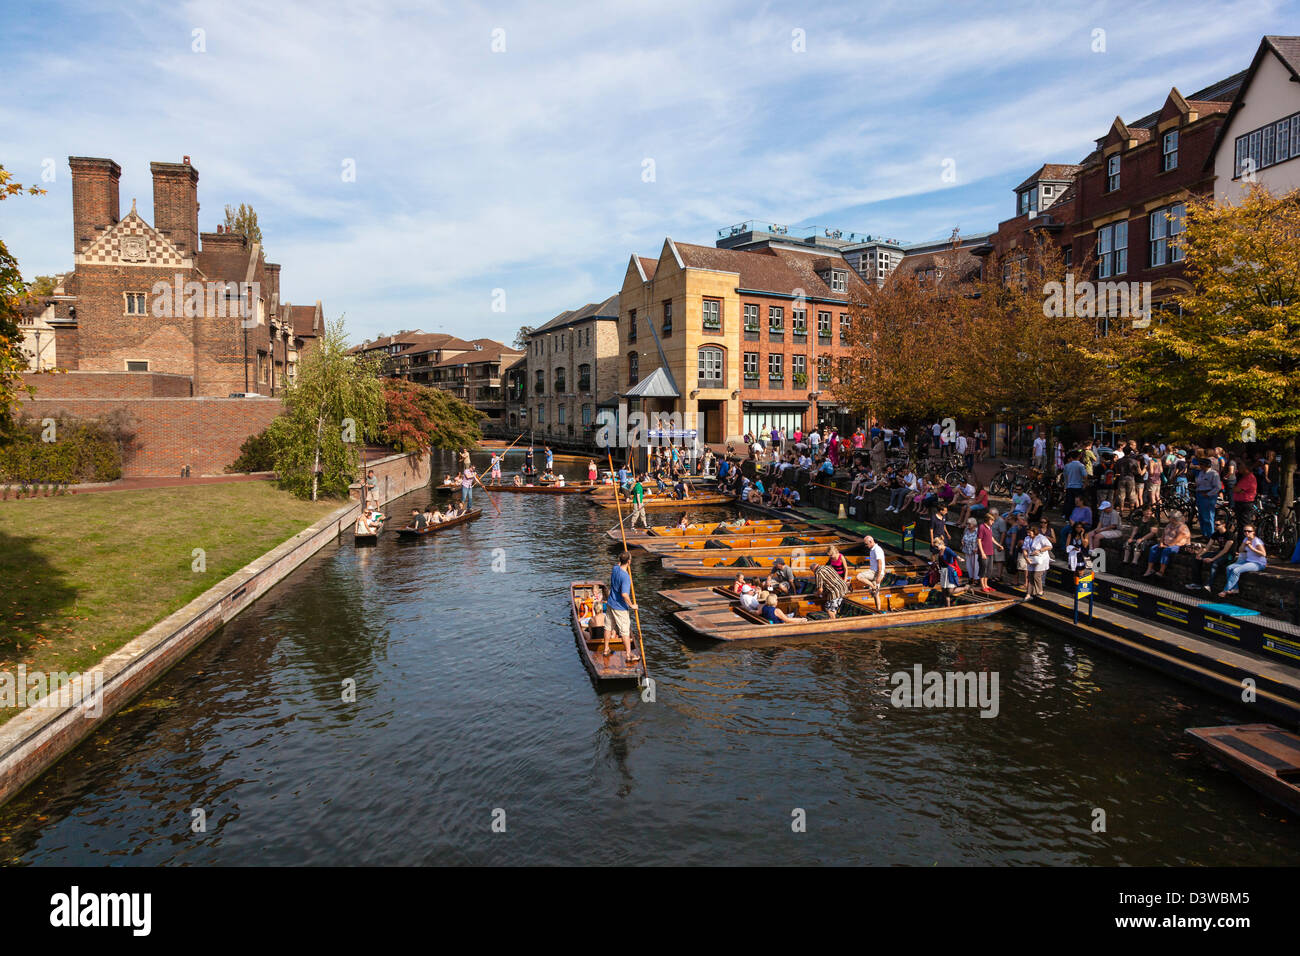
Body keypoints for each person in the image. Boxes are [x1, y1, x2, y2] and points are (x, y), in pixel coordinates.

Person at [606, 552, 640, 660]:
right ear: (629, 562)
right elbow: (624, 594)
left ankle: (606, 649)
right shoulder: (625, 577)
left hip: (610, 603)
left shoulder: (615, 568)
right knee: (625, 631)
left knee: (608, 627)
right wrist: (632, 606)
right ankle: (629, 655)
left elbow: (619, 563)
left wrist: (625, 557)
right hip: (620, 607)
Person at [1187, 520, 1234, 593]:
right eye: (1214, 524)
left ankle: (1209, 585)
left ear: (1223, 525)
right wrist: (1199, 555)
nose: (1215, 526)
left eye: (1217, 525)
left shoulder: (1230, 535)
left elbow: (1225, 550)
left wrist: (1212, 559)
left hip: (1229, 555)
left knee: (1215, 563)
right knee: (1195, 559)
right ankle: (1197, 583)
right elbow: (1207, 547)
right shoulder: (1216, 534)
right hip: (1219, 552)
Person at [1220, 525, 1267, 596]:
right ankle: (1235, 589)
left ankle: (1225, 590)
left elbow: (1264, 554)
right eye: (1245, 531)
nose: (1247, 533)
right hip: (1248, 561)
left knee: (1236, 570)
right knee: (1229, 568)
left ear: (1253, 532)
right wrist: (1244, 544)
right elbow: (1240, 550)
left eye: (1249, 531)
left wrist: (1251, 548)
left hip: (1258, 563)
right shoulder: (1245, 539)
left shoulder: (1257, 541)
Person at [1143, 511, 1191, 578]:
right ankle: (1149, 569)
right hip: (1166, 543)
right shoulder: (1169, 525)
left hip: (1178, 545)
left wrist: (1166, 545)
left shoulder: (1182, 527)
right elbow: (1163, 535)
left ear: (1174, 518)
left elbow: (1177, 540)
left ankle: (1161, 571)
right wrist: (1161, 543)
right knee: (1153, 548)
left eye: (1169, 517)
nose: (1168, 518)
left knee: (1166, 550)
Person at [855, 535, 890, 608]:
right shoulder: (872, 549)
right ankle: (878, 610)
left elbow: (880, 564)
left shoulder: (877, 549)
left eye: (866, 544)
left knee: (859, 576)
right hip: (875, 572)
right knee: (875, 594)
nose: (866, 546)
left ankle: (873, 586)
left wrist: (879, 577)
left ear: (870, 541)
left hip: (876, 573)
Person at [1023, 521, 1054, 599]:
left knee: (1036, 576)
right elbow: (1024, 549)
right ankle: (1028, 594)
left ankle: (1040, 591)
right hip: (1031, 558)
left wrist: (1039, 550)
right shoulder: (1027, 538)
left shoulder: (1041, 538)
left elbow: (1050, 546)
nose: (1028, 534)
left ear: (1034, 531)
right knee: (1030, 576)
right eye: (1027, 532)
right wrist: (1026, 558)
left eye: (1029, 532)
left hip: (1041, 559)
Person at [1194, 459, 1222, 538]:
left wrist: (1208, 494)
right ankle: (1204, 534)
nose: (1200, 466)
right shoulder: (1201, 473)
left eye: (1201, 465)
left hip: (1208, 496)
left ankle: (1211, 535)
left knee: (1208, 516)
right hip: (1200, 494)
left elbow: (1218, 487)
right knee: (1201, 516)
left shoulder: (1213, 473)